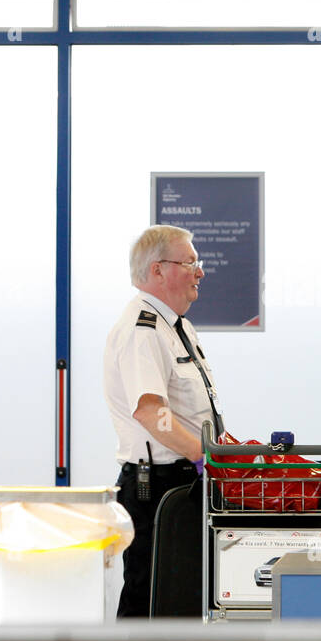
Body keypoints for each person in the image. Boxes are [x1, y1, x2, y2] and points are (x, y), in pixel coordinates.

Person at [104, 224, 224, 617]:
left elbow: (190, 410)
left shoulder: (178, 326)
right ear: (158, 270)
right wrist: (207, 454)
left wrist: (224, 446)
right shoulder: (144, 329)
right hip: (156, 488)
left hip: (184, 481)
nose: (200, 272)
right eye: (191, 262)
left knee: (183, 596)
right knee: (151, 597)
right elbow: (152, 414)